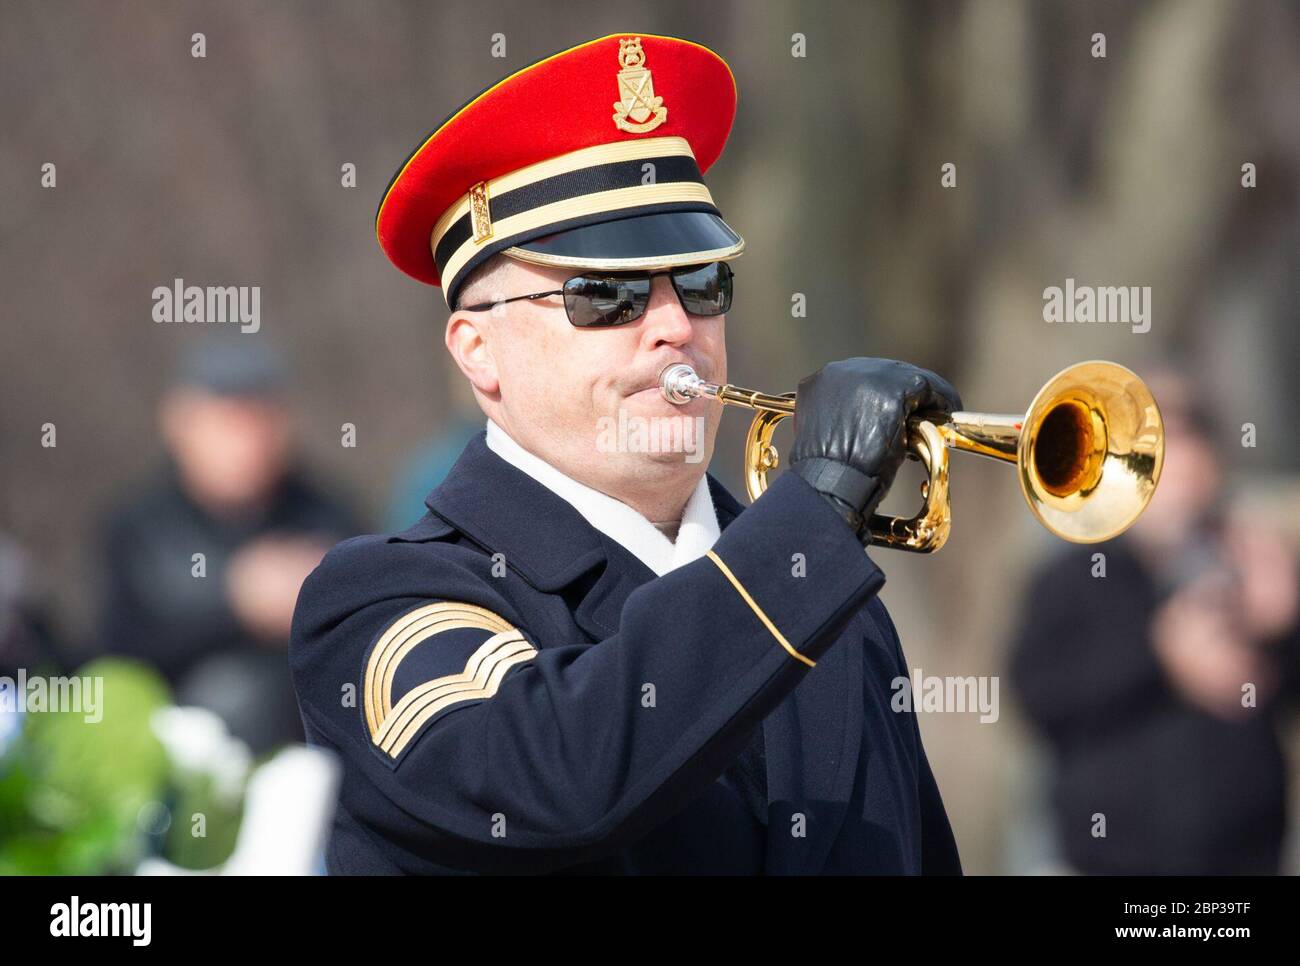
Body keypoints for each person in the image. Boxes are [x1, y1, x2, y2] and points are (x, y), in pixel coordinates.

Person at [290, 33, 962, 874]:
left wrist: (808, 541)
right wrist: (814, 517)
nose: (677, 326)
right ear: (477, 350)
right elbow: (557, 777)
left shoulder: (836, 606)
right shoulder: (378, 600)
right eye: (605, 294)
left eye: (702, 283)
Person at [1010, 370, 1300, 874]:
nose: (1180, 464)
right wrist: (1156, 656)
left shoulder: (1255, 559)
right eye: (1157, 443)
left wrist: (1282, 625)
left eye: (1192, 435)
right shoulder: (1075, 573)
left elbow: (1277, 692)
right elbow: (1036, 694)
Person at [99, 339, 361, 754]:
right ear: (180, 423)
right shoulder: (138, 527)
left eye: (260, 421)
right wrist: (236, 606)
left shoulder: (326, 515)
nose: (246, 444)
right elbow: (116, 658)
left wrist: (322, 597)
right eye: (228, 422)